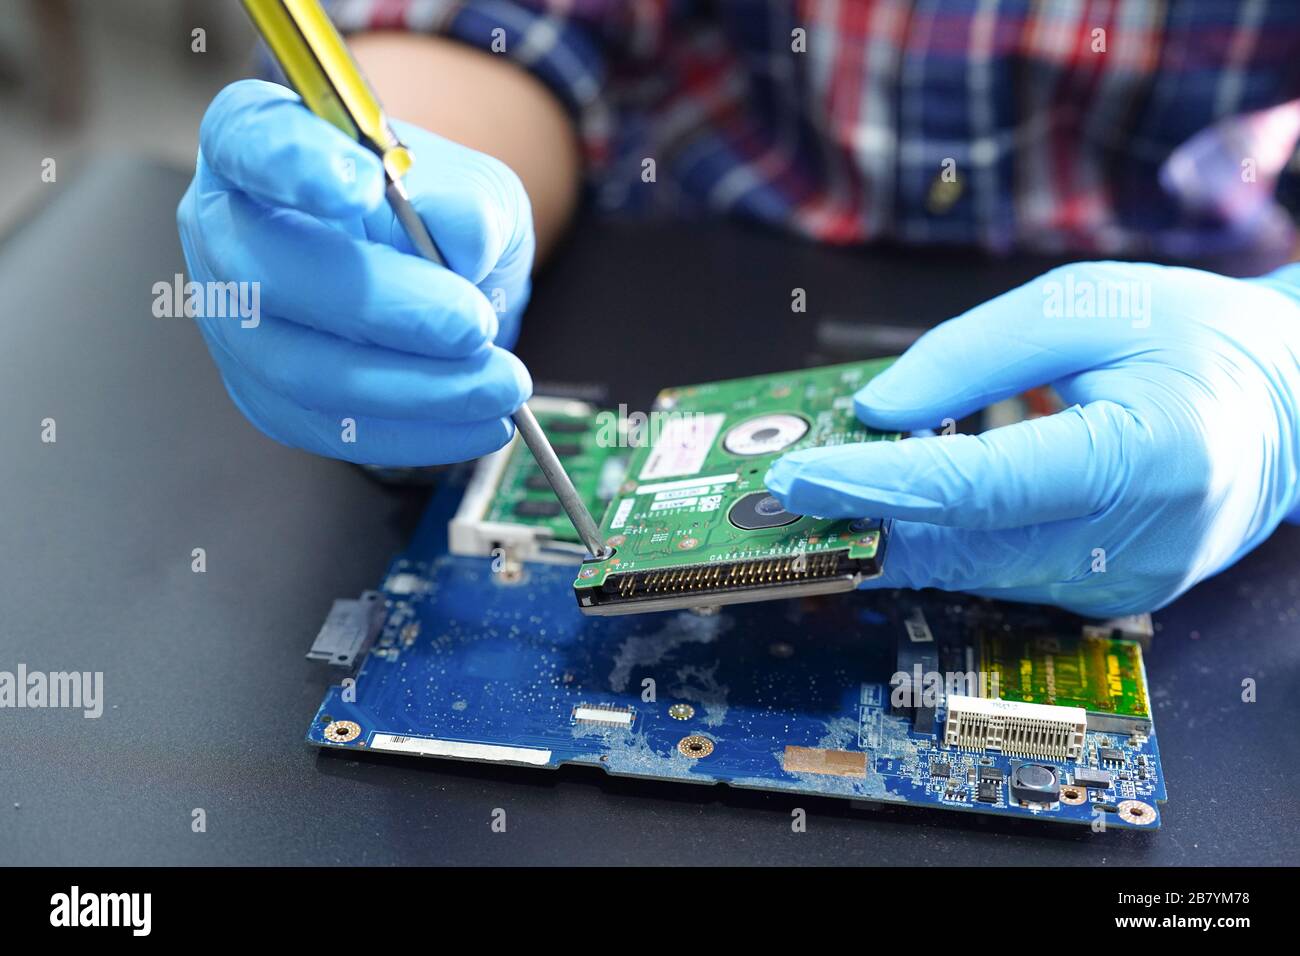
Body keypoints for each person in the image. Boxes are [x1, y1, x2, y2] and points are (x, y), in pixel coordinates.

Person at [177, 2, 1300, 617]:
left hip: (1183, 324)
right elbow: (504, 25)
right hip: (663, 263)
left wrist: (1279, 374)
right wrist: (390, 199)